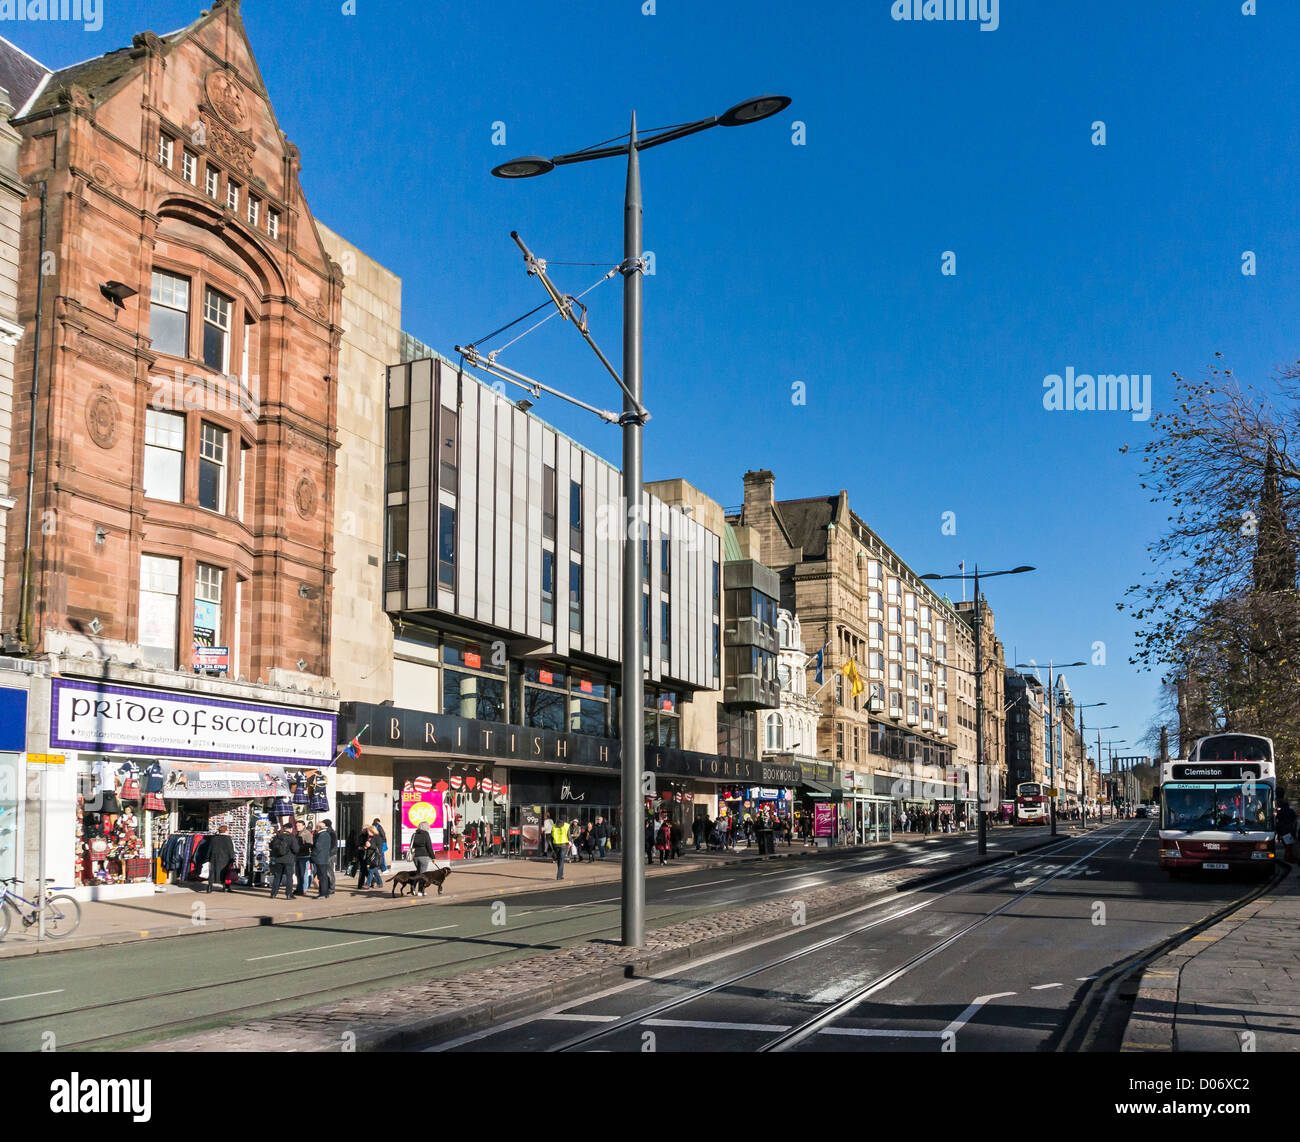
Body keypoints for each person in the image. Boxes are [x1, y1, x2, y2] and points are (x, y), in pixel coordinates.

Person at [268, 822, 300, 899]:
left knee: (277, 877)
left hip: (278, 859)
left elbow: (271, 845)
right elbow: (296, 849)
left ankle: (273, 893)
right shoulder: (292, 837)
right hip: (289, 859)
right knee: (289, 877)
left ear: (284, 829)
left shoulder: (277, 836)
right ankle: (289, 894)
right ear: (290, 829)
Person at [206, 824, 236, 894]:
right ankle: (226, 887)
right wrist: (232, 858)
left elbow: (210, 848)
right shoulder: (228, 839)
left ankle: (209, 887)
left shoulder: (214, 838)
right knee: (226, 873)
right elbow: (230, 849)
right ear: (225, 831)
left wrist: (207, 858)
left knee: (212, 872)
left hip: (214, 858)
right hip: (225, 858)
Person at [311, 822, 333, 898]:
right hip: (323, 858)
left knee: (322, 876)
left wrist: (313, 855)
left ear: (318, 828)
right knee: (323, 876)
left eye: (316, 827)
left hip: (320, 858)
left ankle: (323, 893)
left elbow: (318, 847)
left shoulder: (322, 835)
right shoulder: (325, 834)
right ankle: (325, 893)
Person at [295, 820, 313, 895]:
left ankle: (304, 889)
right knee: (298, 873)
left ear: (303, 826)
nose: (297, 827)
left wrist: (299, 847)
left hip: (304, 856)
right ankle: (299, 888)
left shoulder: (307, 833)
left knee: (303, 873)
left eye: (299, 825)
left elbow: (310, 844)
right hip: (297, 856)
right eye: (296, 826)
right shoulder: (297, 833)